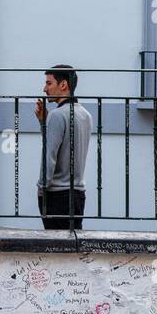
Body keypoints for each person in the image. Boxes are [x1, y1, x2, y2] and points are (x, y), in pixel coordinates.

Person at [36, 64, 92, 230]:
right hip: (77, 193)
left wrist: (41, 188)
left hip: (57, 194)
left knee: (55, 248)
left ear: (63, 85)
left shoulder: (57, 115)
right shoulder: (85, 114)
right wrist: (44, 123)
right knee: (72, 245)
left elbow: (50, 154)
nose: (45, 89)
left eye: (49, 83)